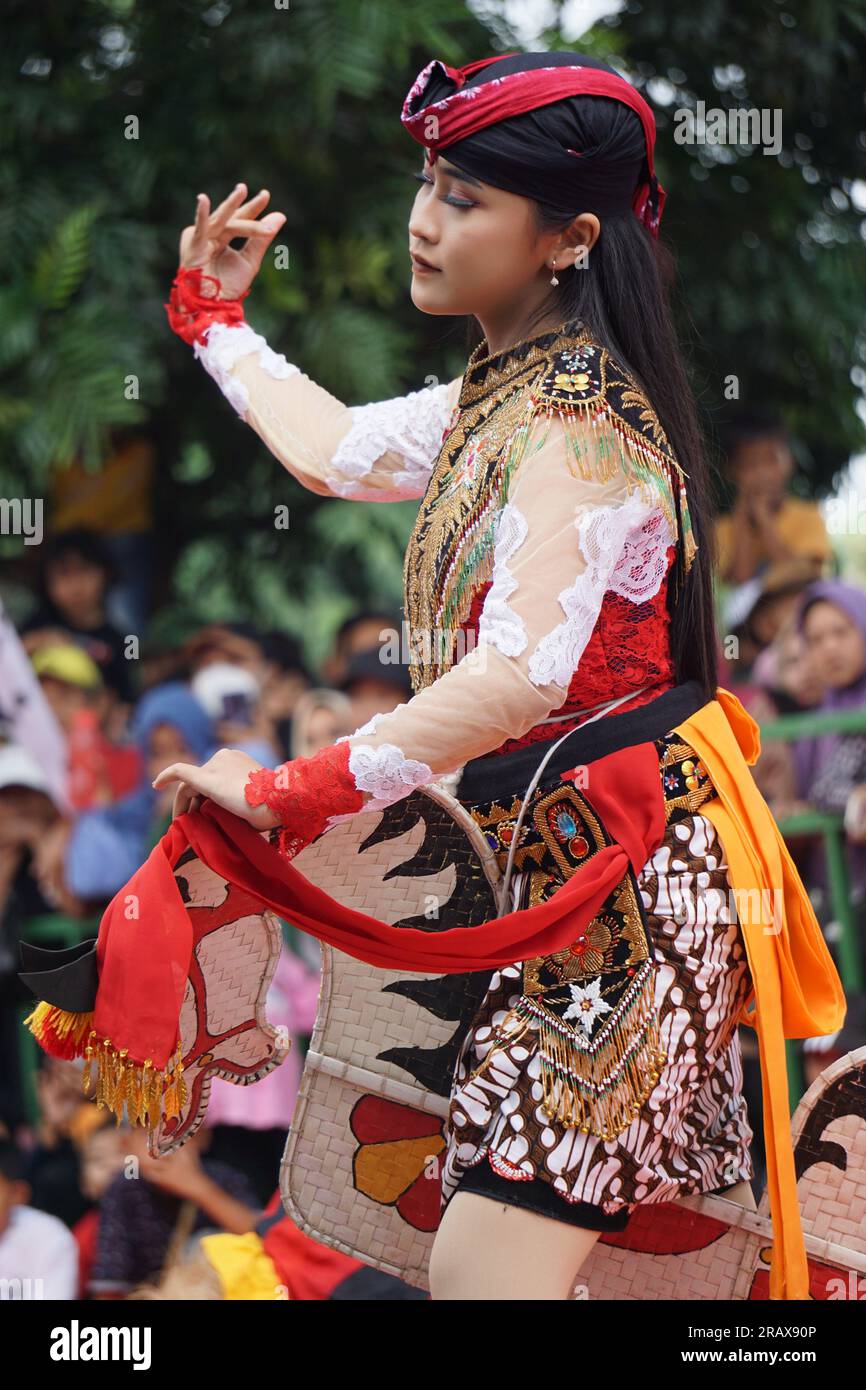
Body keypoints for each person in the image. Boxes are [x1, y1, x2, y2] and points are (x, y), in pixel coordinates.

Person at [23, 51, 844, 1302]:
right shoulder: (496, 399)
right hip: (567, 890)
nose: (422, 219)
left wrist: (296, 788)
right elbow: (335, 449)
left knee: (484, 1278)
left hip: (631, 892)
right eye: (428, 183)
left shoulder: (577, 429)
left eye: (463, 197)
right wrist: (217, 322)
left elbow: (516, 676)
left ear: (567, 239)